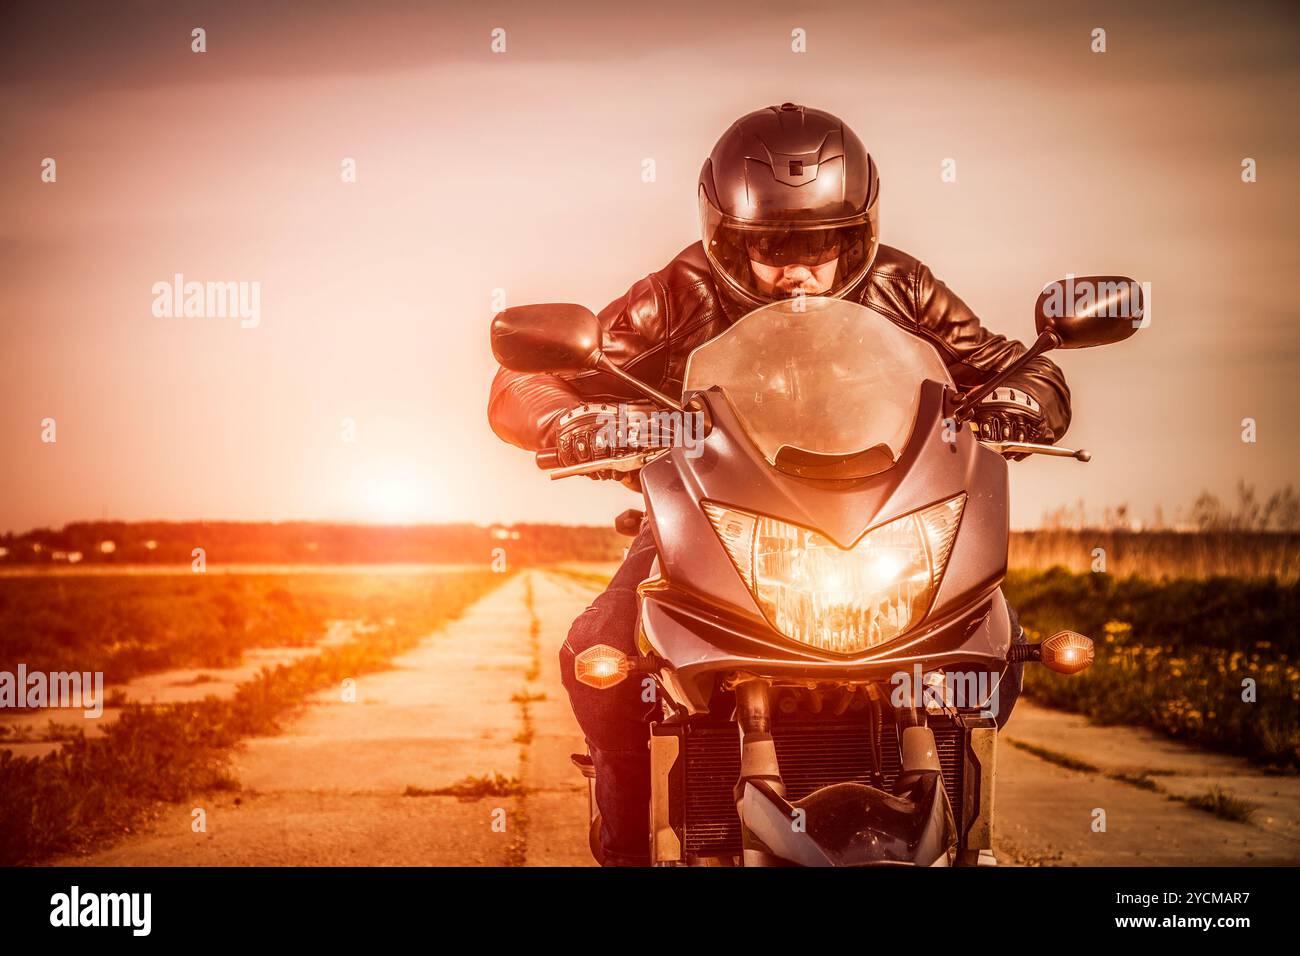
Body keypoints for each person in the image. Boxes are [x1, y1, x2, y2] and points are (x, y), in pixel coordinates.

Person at [487, 104, 1068, 865]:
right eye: (771, 248)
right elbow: (522, 381)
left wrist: (1023, 398)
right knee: (597, 652)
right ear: (727, 240)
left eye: (823, 245)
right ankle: (629, 844)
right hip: (717, 525)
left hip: (881, 527)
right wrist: (570, 420)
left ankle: (961, 822)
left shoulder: (904, 286)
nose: (798, 270)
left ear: (857, 236)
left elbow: (1014, 366)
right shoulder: (679, 291)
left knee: (995, 641)